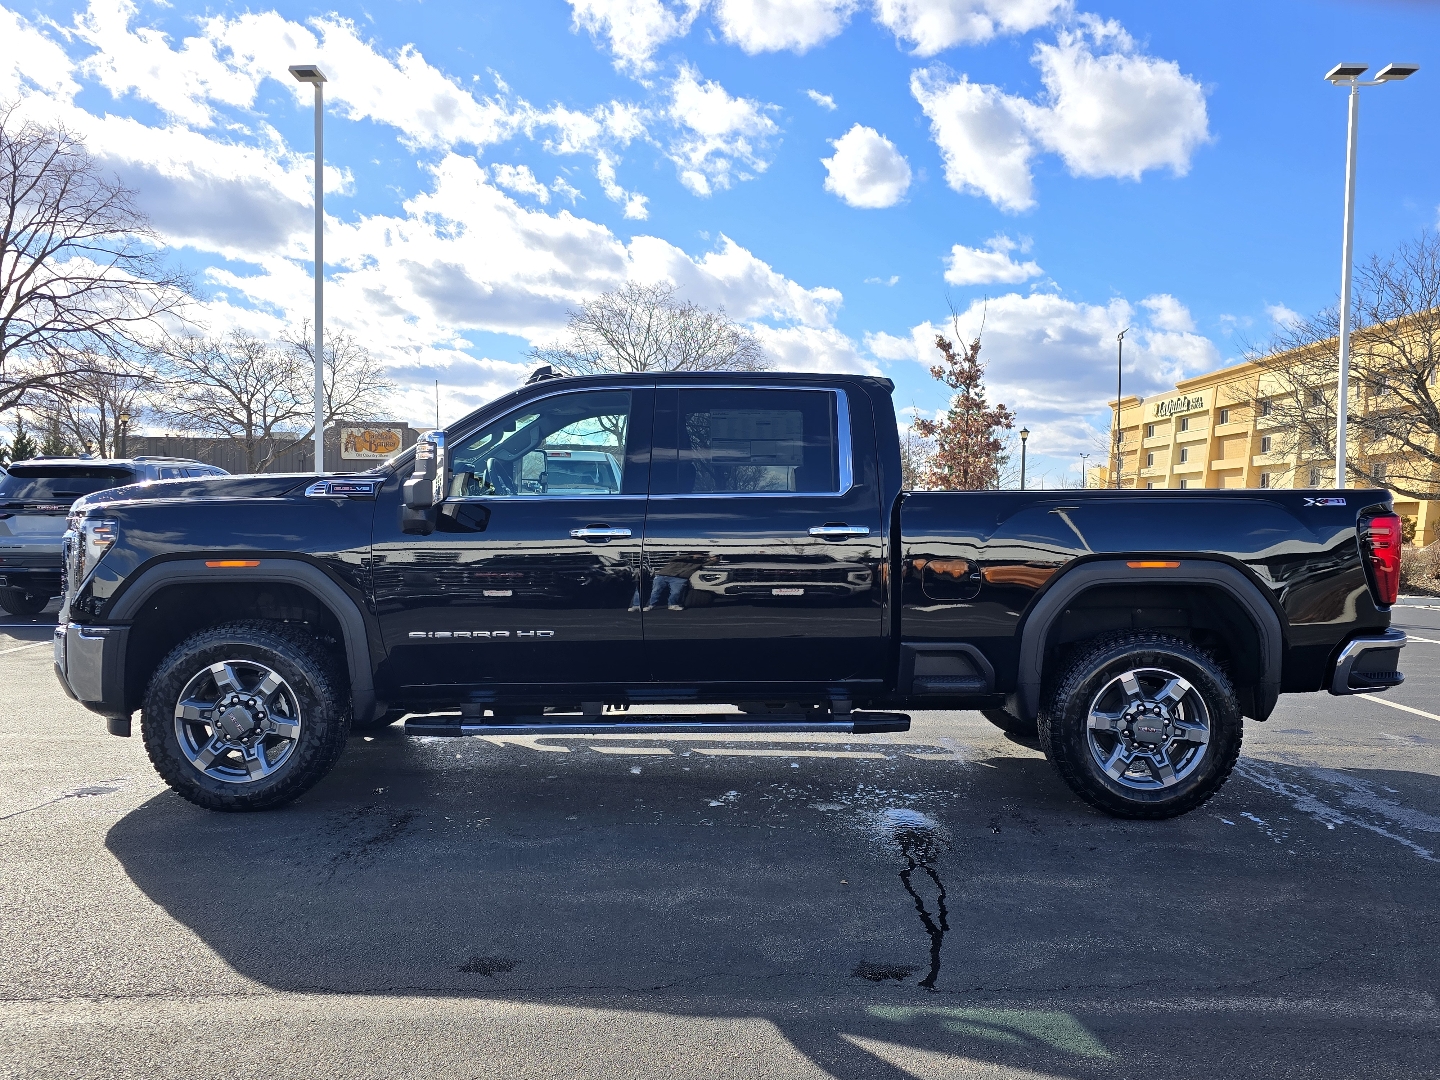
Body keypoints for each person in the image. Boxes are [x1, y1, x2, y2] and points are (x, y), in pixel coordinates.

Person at [630, 552, 710, 611]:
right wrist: (691, 556)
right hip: (663, 575)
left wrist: (713, 558)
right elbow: (674, 558)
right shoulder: (679, 559)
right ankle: (651, 605)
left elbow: (709, 563)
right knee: (656, 591)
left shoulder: (700, 563)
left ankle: (672, 604)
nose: (699, 556)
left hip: (680, 578)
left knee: (676, 592)